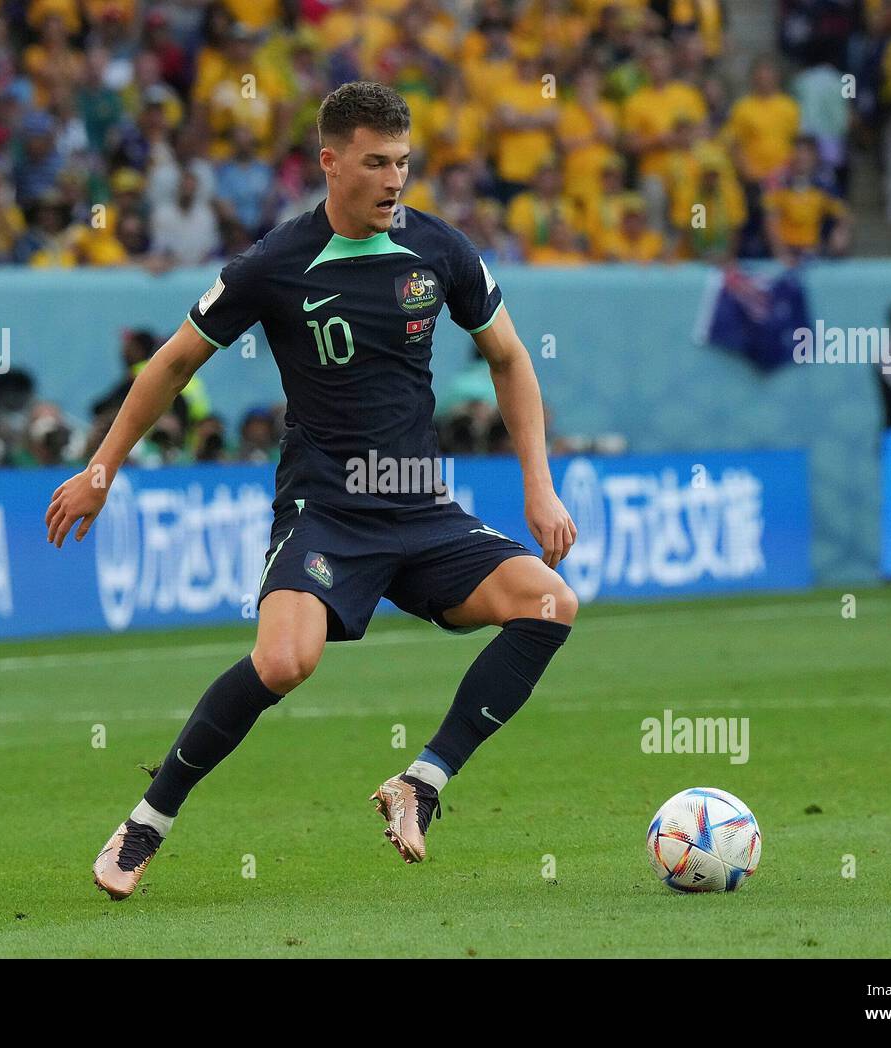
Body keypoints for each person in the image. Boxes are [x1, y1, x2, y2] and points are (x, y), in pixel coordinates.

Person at [45, 81, 578, 900]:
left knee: (549, 604)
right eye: (376, 163)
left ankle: (422, 783)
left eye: (403, 162)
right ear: (331, 163)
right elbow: (175, 361)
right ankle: (150, 818)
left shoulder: (440, 251)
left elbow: (509, 357)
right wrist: (101, 469)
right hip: (325, 511)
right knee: (286, 660)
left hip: (421, 507)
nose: (394, 179)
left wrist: (537, 487)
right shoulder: (274, 263)